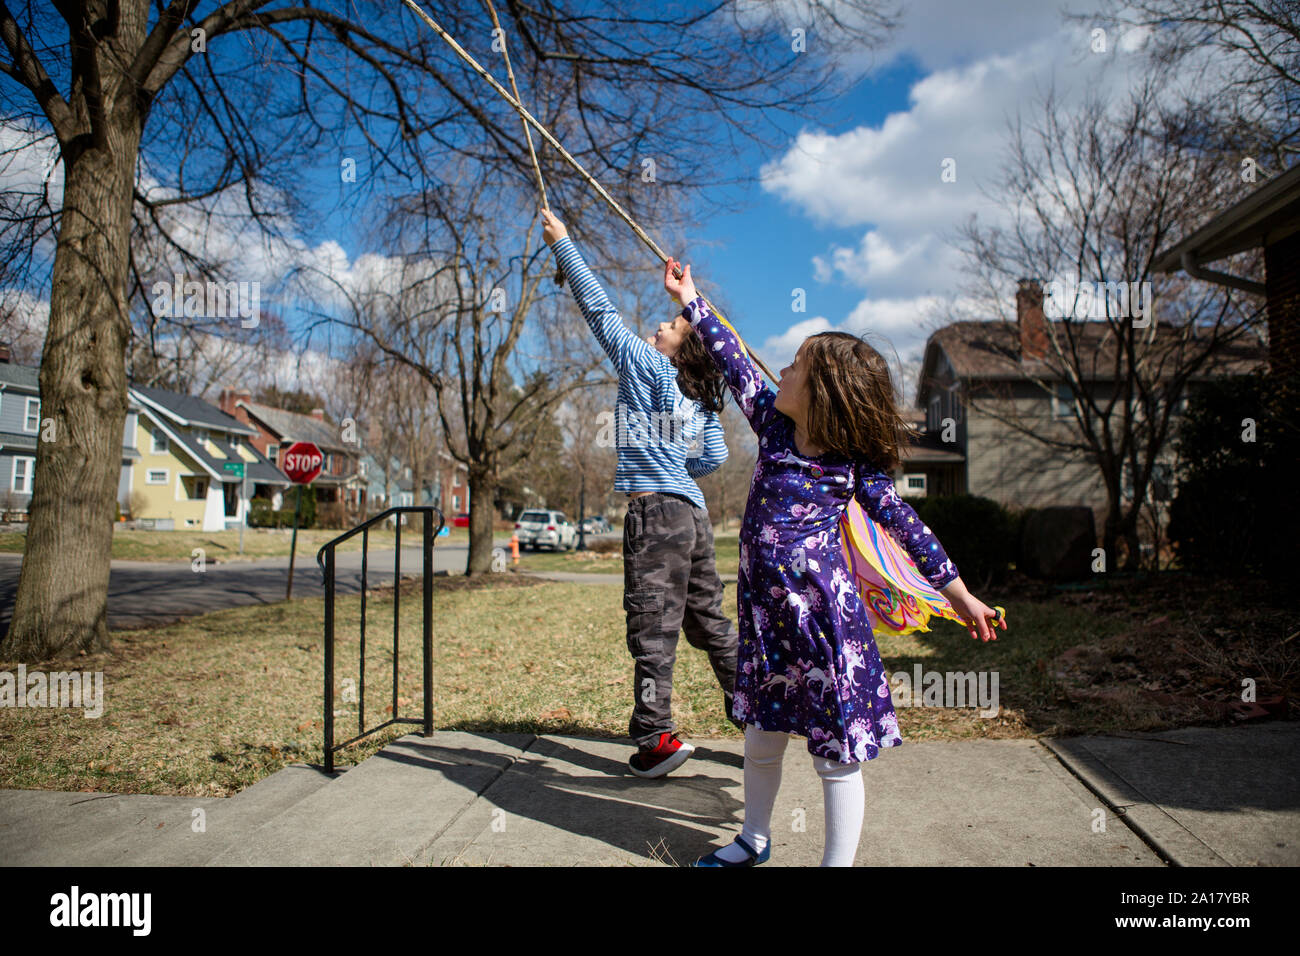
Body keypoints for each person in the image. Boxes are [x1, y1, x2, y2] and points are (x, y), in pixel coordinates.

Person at [662, 257, 1006, 866]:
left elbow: (910, 530)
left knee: (835, 756)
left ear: (824, 391)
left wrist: (960, 595)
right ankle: (753, 839)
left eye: (795, 363)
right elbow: (732, 356)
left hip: (824, 627)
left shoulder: (854, 466)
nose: (782, 367)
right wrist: (692, 299)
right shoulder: (771, 423)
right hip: (768, 624)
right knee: (761, 735)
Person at [540, 210, 741, 778]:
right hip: (693, 519)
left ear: (682, 349)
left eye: (670, 327)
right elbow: (714, 458)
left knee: (653, 624)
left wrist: (564, 245)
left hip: (655, 515)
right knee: (709, 621)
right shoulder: (700, 402)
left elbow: (599, 311)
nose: (659, 329)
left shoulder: (649, 367)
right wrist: (675, 460)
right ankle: (753, 710)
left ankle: (656, 740)